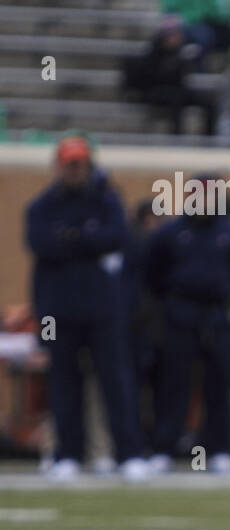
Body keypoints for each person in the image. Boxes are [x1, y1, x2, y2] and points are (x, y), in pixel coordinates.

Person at [24, 136, 149, 481]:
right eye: (69, 163)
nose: (75, 169)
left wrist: (71, 238)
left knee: (116, 382)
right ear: (58, 165)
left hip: (102, 308)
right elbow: (42, 244)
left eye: (80, 163)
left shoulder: (106, 200)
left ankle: (128, 454)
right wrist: (84, 240)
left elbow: (115, 238)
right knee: (63, 383)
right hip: (59, 309)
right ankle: (67, 454)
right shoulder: (41, 206)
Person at [145, 190, 230, 473]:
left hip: (217, 314)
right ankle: (165, 448)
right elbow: (153, 274)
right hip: (182, 314)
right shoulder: (171, 233)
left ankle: (221, 449)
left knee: (220, 384)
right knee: (174, 384)